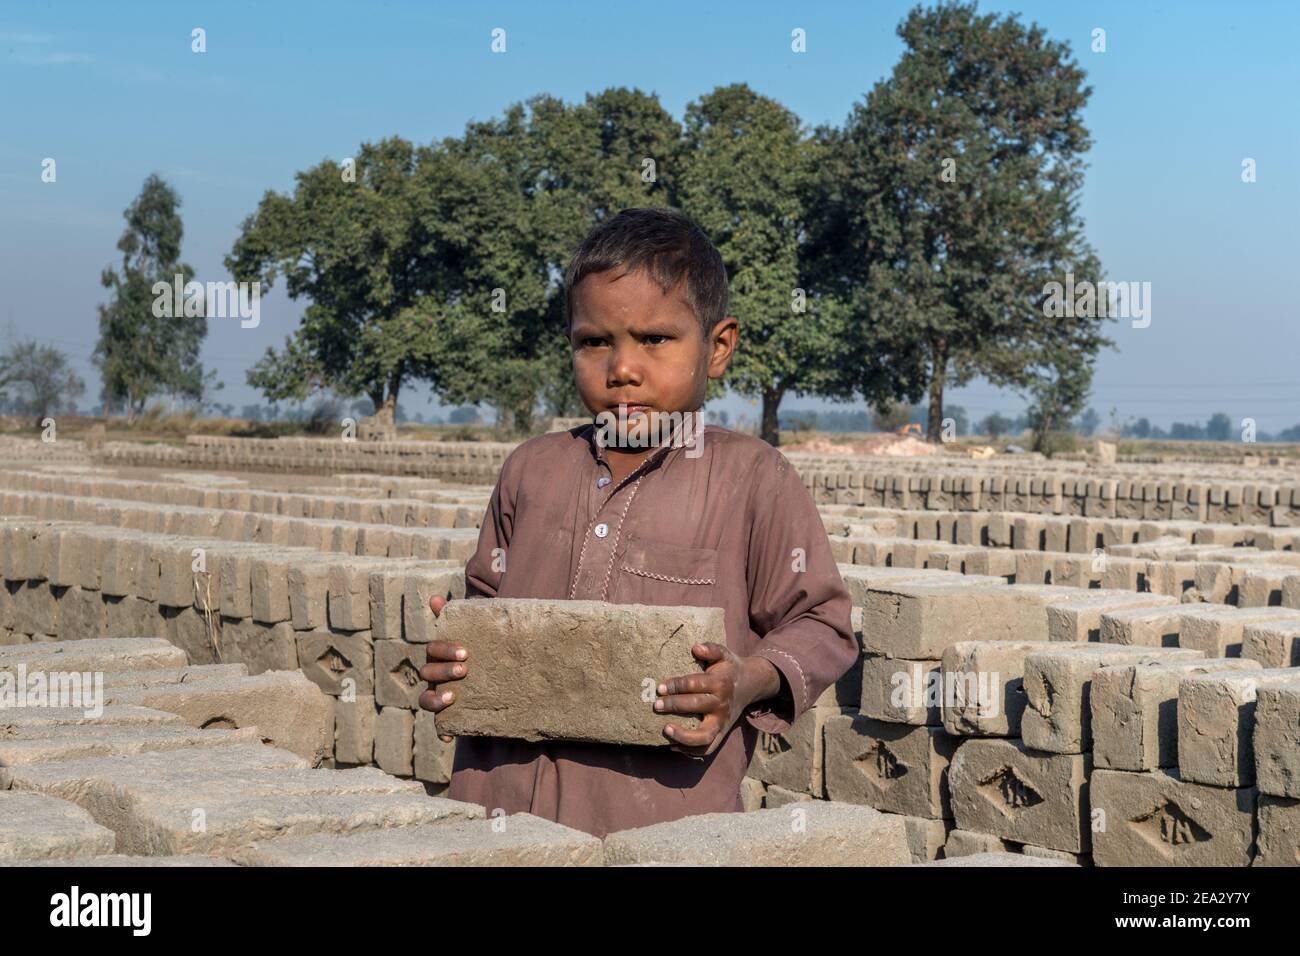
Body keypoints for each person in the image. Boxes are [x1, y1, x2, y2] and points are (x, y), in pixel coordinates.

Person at [417, 206, 856, 837]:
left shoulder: (754, 478)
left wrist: (746, 681)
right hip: (498, 815)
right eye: (594, 342)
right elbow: (484, 606)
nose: (622, 368)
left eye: (654, 339)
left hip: (659, 825)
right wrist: (454, 659)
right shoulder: (530, 470)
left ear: (718, 347)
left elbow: (821, 624)